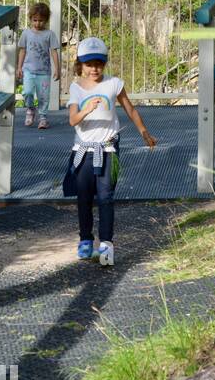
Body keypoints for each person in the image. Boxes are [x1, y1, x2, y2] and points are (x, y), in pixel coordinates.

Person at [63, 36, 157, 266]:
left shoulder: (114, 83)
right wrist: (85, 110)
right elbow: (73, 120)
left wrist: (144, 132)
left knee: (106, 198)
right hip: (83, 151)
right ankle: (85, 240)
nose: (94, 68)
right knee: (84, 197)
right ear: (80, 65)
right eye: (89, 64)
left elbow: (130, 109)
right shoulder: (75, 88)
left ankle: (106, 245)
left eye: (98, 63)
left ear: (104, 63)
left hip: (108, 149)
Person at [16, 3, 60, 129]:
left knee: (43, 96)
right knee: (27, 92)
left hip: (44, 72)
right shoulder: (26, 33)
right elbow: (23, 50)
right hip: (28, 70)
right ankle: (30, 109)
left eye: (41, 20)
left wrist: (57, 68)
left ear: (46, 20)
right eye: (35, 20)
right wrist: (19, 67)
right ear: (30, 19)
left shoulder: (49, 34)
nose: (37, 23)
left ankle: (43, 118)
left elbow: (53, 51)